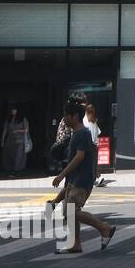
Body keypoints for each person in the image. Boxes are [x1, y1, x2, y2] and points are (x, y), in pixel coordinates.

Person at [50, 100, 116, 254]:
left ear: (75, 116)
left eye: (66, 116)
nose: (64, 119)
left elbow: (79, 157)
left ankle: (104, 228)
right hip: (76, 179)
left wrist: (61, 175)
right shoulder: (78, 134)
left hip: (81, 180)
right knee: (70, 212)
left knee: (71, 211)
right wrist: (55, 200)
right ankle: (76, 244)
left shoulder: (81, 134)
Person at [0, 106, 29, 175]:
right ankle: (10, 169)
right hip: (10, 139)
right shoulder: (8, 119)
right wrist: (2, 139)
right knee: (10, 154)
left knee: (18, 155)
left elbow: (26, 129)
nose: (13, 111)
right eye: (12, 110)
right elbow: (5, 130)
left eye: (15, 110)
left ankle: (17, 170)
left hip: (20, 139)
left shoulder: (23, 119)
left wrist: (17, 131)